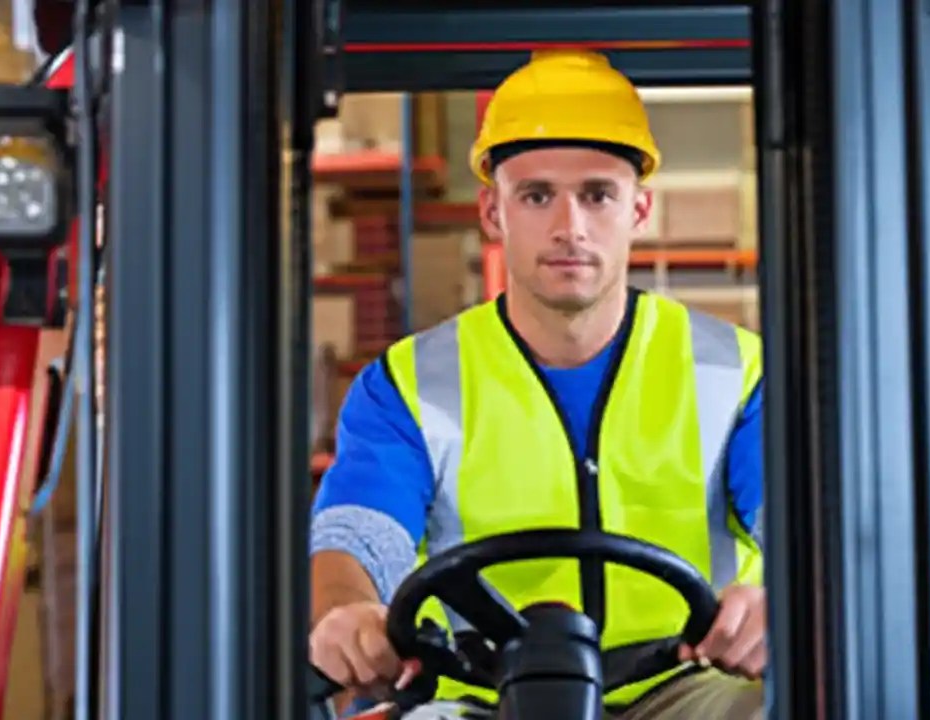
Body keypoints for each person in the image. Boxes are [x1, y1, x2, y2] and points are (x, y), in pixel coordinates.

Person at [309, 48, 767, 720]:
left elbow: (802, 529)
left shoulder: (736, 372)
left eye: (597, 195)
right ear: (493, 213)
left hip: (687, 686)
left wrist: (776, 605)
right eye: (537, 195)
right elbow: (355, 537)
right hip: (484, 696)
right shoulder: (408, 386)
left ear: (638, 210)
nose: (569, 227)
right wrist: (346, 612)